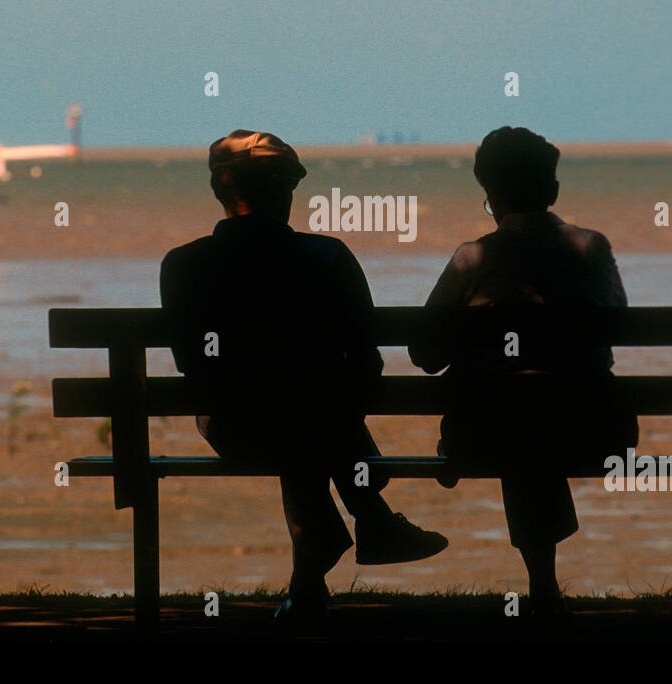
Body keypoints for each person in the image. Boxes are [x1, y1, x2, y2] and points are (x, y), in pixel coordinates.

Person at [160, 129, 447, 630]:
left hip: (236, 428)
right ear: (284, 192)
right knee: (308, 410)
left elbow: (191, 361)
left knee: (293, 416)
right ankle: (371, 522)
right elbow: (367, 361)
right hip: (325, 425)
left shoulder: (183, 265)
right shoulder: (328, 257)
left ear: (220, 192)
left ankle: (315, 580)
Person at [409, 126, 638, 621]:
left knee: (517, 412)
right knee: (533, 411)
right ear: (553, 190)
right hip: (595, 430)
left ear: (489, 194)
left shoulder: (472, 259)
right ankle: (544, 589)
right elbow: (614, 326)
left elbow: (423, 353)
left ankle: (542, 585)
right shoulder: (591, 248)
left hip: (489, 435)